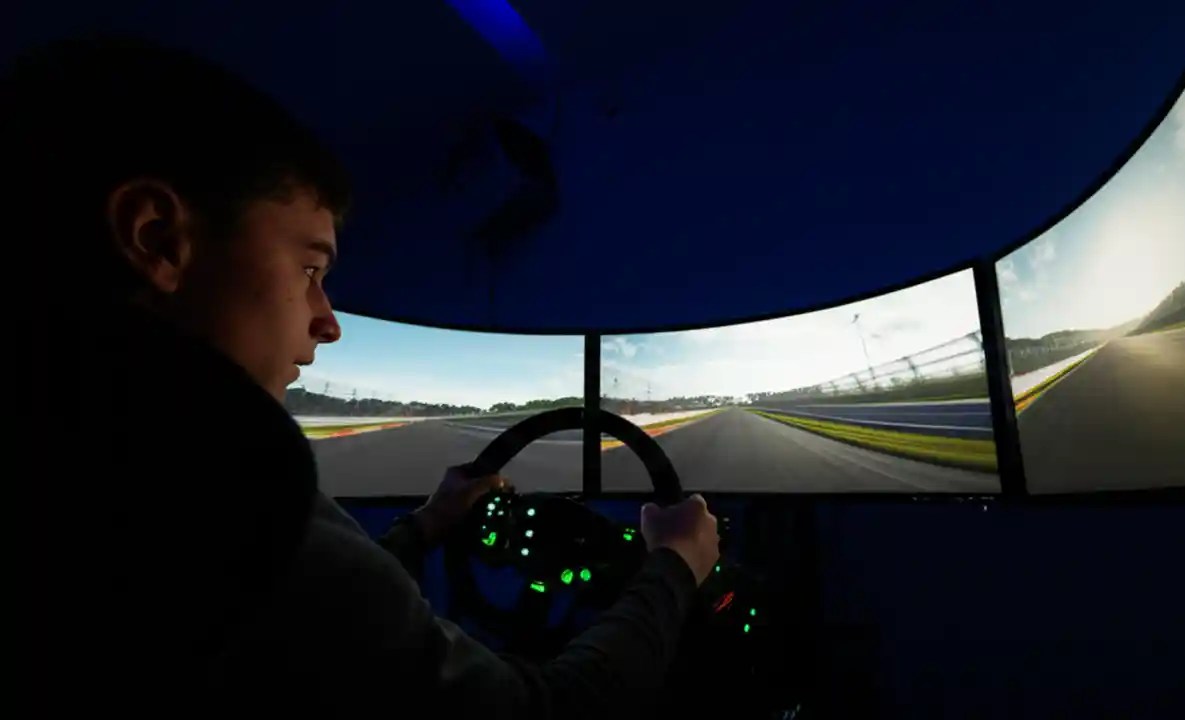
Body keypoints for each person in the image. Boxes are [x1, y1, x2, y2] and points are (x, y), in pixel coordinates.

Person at [11, 37, 719, 714]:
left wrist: (431, 524)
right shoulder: (226, 500)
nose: (328, 321)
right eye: (311, 269)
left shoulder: (105, 474)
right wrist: (676, 564)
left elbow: (323, 615)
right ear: (157, 237)